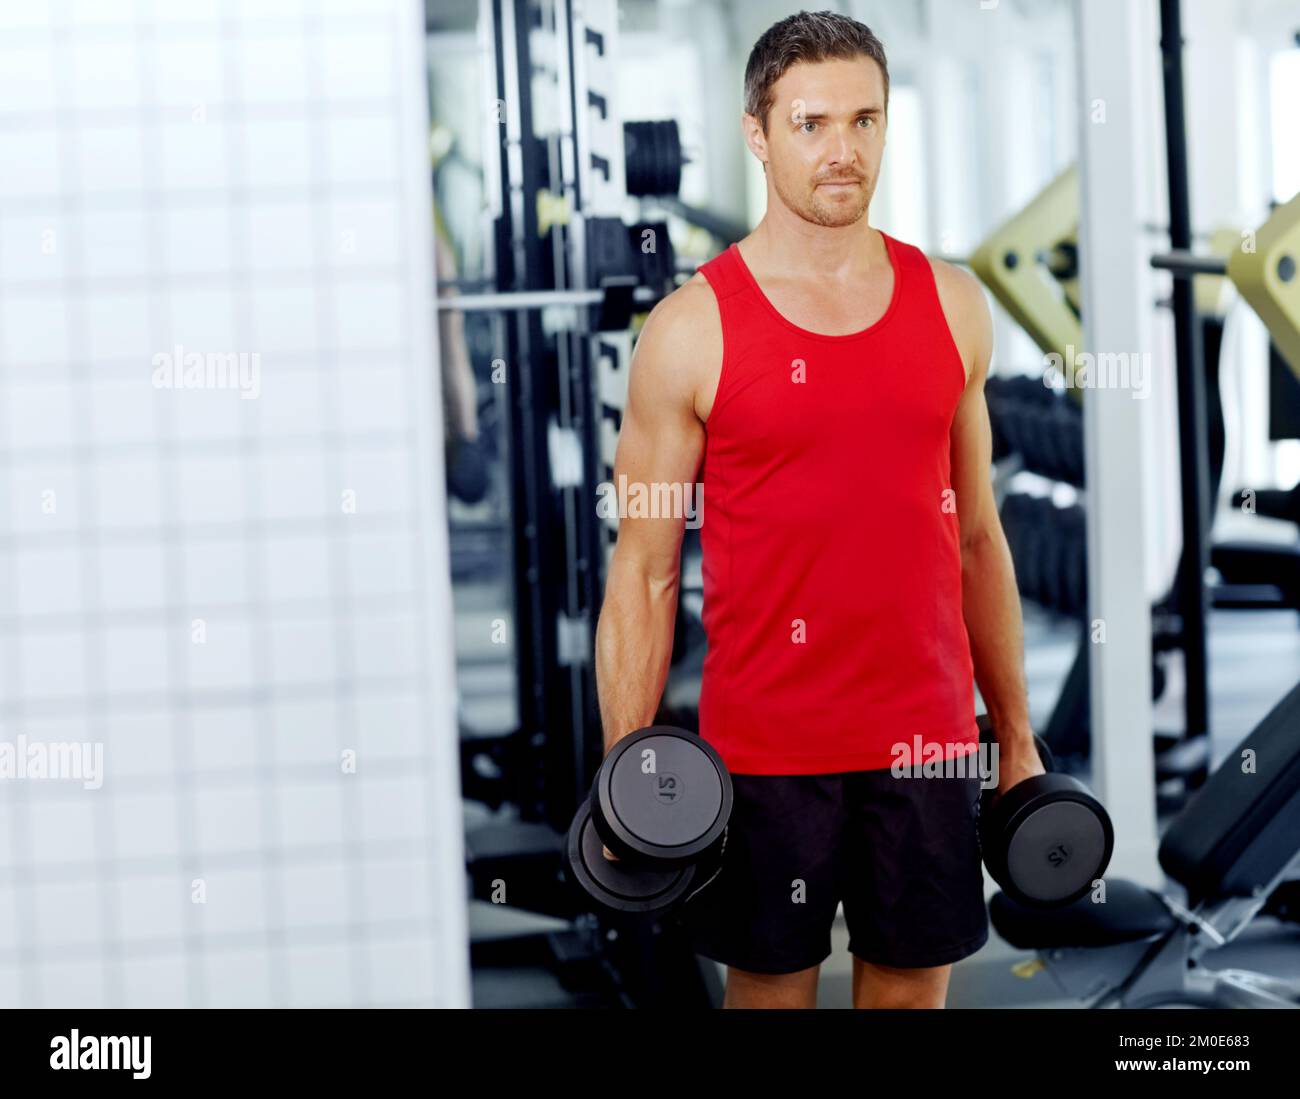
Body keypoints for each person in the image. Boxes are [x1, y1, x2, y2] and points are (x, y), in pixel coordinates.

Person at [593, 10, 1043, 1009]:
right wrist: (631, 766)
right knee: (770, 996)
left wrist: (1012, 732)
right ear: (757, 132)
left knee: (909, 993)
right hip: (763, 753)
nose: (842, 150)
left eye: (864, 120)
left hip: (925, 741)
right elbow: (644, 568)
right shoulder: (690, 328)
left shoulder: (952, 304)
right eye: (810, 124)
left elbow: (975, 536)